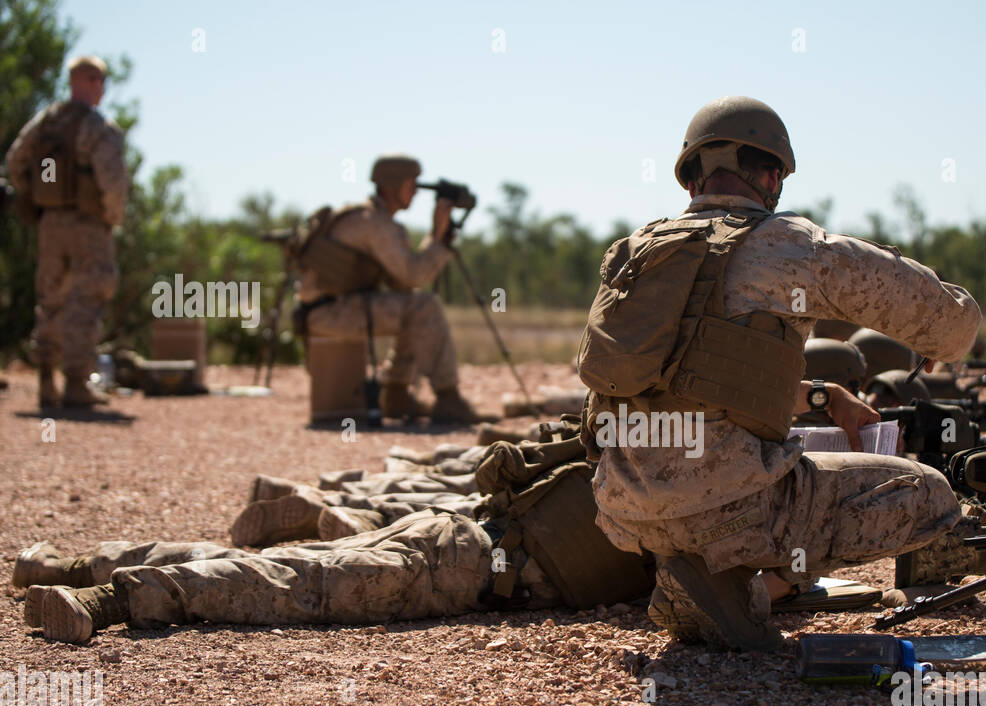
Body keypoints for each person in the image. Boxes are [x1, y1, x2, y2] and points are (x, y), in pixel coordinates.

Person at [580, 96, 984, 652]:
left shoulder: (632, 253)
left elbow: (692, 379)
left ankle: (718, 580)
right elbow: (951, 326)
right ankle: (744, 594)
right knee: (928, 492)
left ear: (691, 179)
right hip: (732, 510)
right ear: (771, 174)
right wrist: (945, 331)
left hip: (623, 508)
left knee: (732, 484)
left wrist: (821, 395)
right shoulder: (791, 246)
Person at [16, 435, 655, 645]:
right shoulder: (698, 475)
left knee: (281, 564)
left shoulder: (634, 419)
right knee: (298, 582)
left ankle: (72, 565)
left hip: (466, 529)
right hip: (466, 560)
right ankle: (114, 600)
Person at [293, 154, 490, 424]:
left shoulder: (372, 220)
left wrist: (437, 237)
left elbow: (401, 284)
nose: (416, 192)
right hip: (329, 314)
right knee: (422, 306)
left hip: (328, 310)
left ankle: (395, 396)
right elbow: (412, 276)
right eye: (411, 184)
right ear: (391, 186)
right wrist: (437, 238)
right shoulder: (375, 224)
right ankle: (447, 397)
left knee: (414, 305)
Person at [4, 55, 129, 409]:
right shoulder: (98, 127)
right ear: (88, 82)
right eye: (99, 81)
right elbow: (113, 182)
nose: (101, 88)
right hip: (89, 225)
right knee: (88, 297)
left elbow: (16, 161)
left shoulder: (45, 122)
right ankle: (75, 382)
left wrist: (36, 198)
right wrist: (112, 217)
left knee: (51, 297)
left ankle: (46, 381)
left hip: (50, 224)